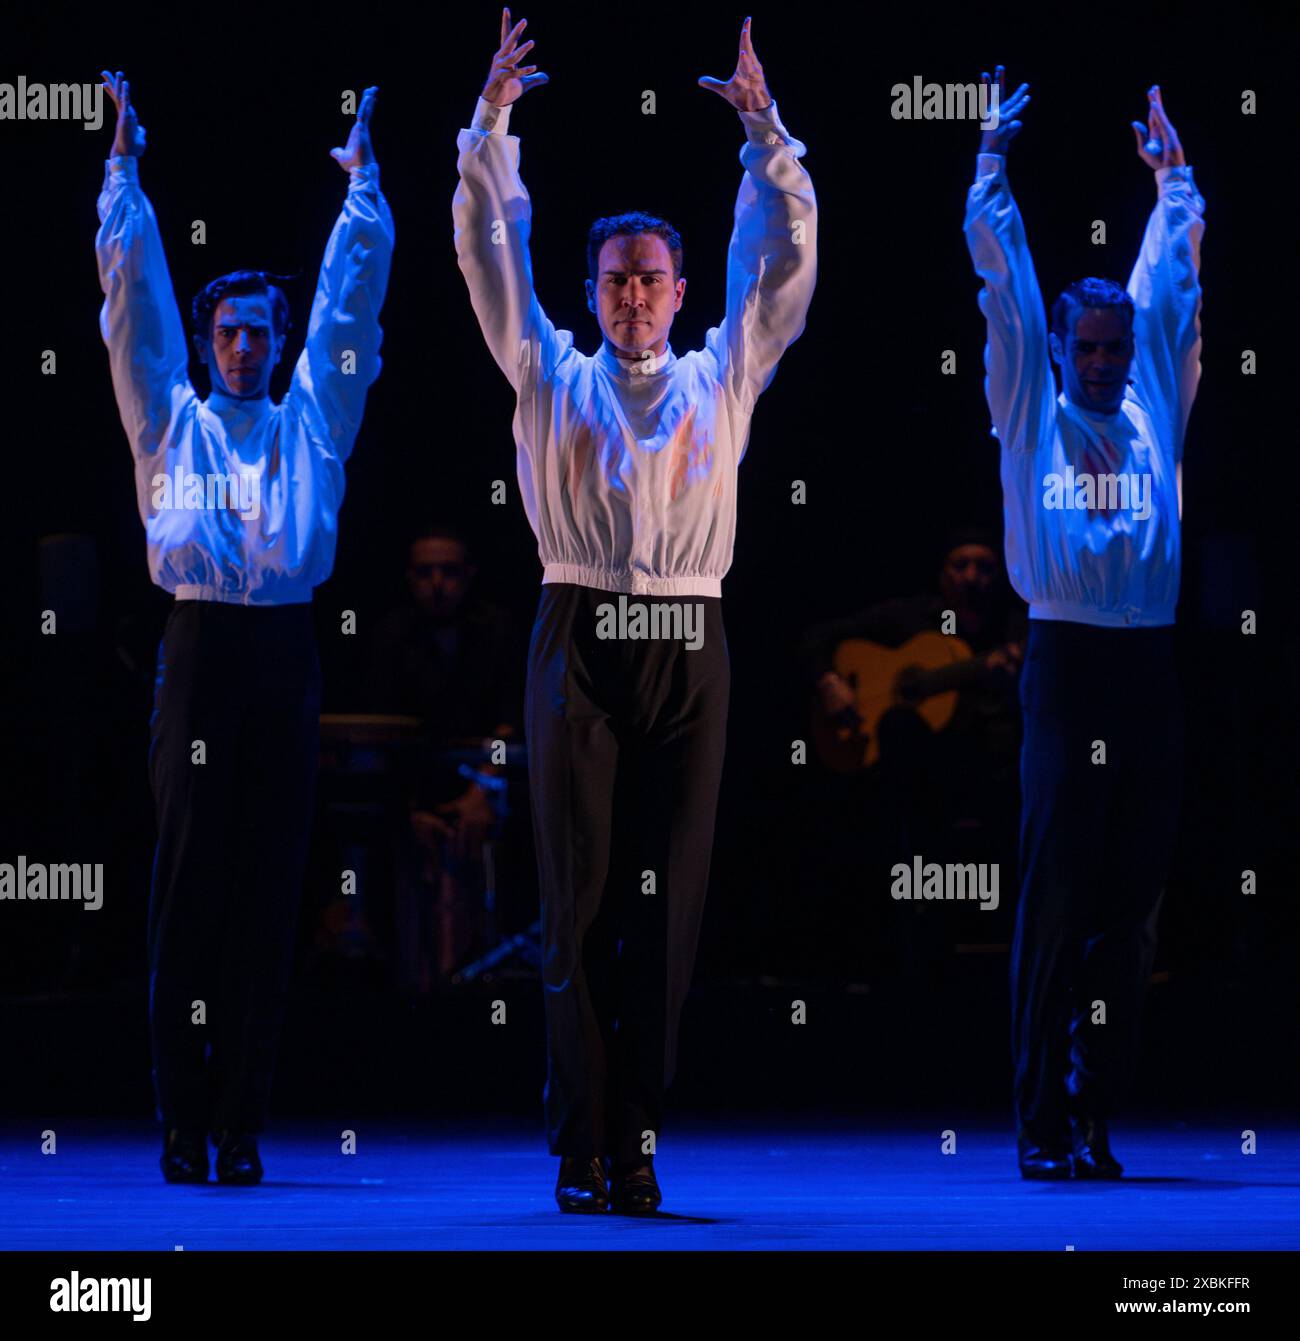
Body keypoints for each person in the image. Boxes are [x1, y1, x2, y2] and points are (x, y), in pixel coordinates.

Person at [453, 10, 816, 1213]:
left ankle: (640, 1133)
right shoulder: (548, 371)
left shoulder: (722, 374)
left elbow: (780, 270)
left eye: (652, 279)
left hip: (688, 635)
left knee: (666, 908)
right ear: (594, 290)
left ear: (677, 288)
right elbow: (490, 258)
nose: (635, 298)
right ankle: (579, 1140)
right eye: (615, 280)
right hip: (579, 630)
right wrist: (492, 129)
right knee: (577, 897)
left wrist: (764, 134)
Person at [95, 72, 394, 1184]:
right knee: (188, 882)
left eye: (260, 331)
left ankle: (241, 1121)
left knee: (271, 892)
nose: (243, 345)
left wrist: (362, 190)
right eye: (227, 330)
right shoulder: (166, 416)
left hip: (282, 653)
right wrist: (122, 174)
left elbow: (349, 310)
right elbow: (135, 310)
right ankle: (180, 1116)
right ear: (210, 336)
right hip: (199, 649)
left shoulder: (313, 419)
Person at [963, 67, 1203, 1178]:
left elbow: (1171, 291)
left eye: (1116, 347)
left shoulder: (1153, 404)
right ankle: (1036, 1121)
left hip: (1147, 669)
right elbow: (1003, 292)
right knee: (1057, 901)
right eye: (1089, 349)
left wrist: (1173, 181)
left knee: (1132, 915)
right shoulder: (1031, 416)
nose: (1106, 362)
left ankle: (1094, 1106)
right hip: (1063, 662)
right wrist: (989, 166)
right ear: (1063, 352)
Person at [800, 529, 1027, 976]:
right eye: (960, 565)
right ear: (943, 574)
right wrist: (830, 683)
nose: (972, 577)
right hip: (908, 785)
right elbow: (815, 639)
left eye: (984, 567)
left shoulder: (1013, 628)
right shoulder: (912, 619)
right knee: (900, 727)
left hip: (985, 771)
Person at [368, 524, 522, 989]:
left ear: (469, 575)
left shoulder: (498, 629)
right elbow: (383, 730)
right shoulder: (390, 635)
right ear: (410, 577)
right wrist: (411, 808)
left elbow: (512, 721)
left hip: (489, 777)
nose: (437, 584)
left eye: (449, 572)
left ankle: (483, 968)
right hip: (417, 783)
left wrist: (483, 789)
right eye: (425, 572)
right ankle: (412, 975)